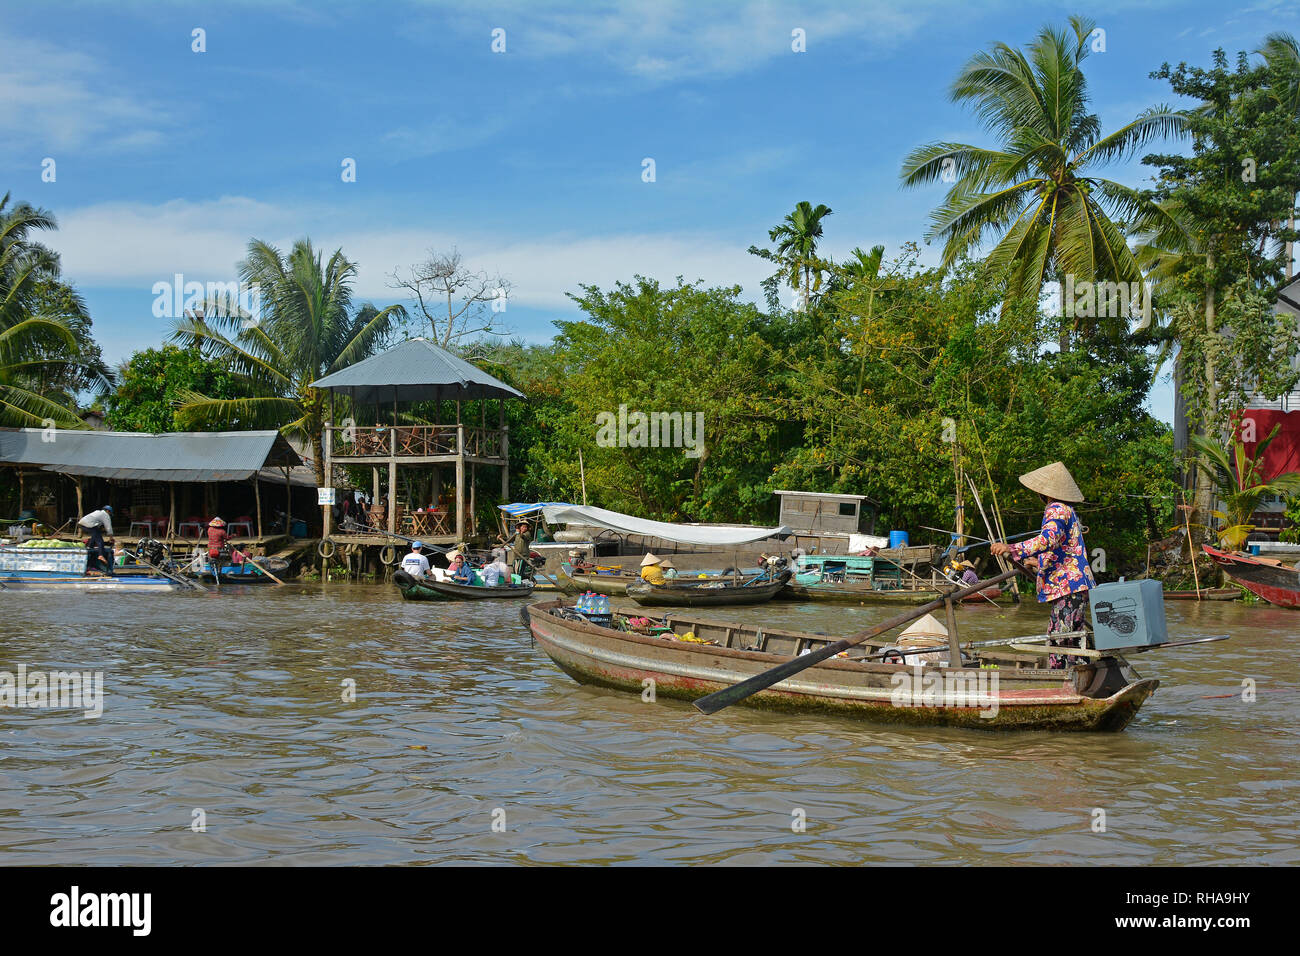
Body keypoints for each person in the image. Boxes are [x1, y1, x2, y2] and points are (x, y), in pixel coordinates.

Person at [991, 462, 1095, 668]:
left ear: (1044, 493)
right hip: (1075, 586)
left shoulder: (1055, 509)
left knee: (1059, 640)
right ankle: (1078, 675)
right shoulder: (1068, 510)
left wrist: (1011, 549)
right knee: (1071, 639)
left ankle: (1062, 681)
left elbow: (1048, 539)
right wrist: (1037, 562)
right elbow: (1064, 550)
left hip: (1068, 587)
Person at [78, 505, 115, 576]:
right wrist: (111, 537)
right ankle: (100, 555)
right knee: (100, 540)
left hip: (81, 524)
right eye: (110, 513)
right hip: (88, 525)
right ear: (108, 511)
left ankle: (90, 546)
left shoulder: (98, 512)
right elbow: (108, 527)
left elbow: (97, 525)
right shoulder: (105, 515)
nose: (110, 515)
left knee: (95, 534)